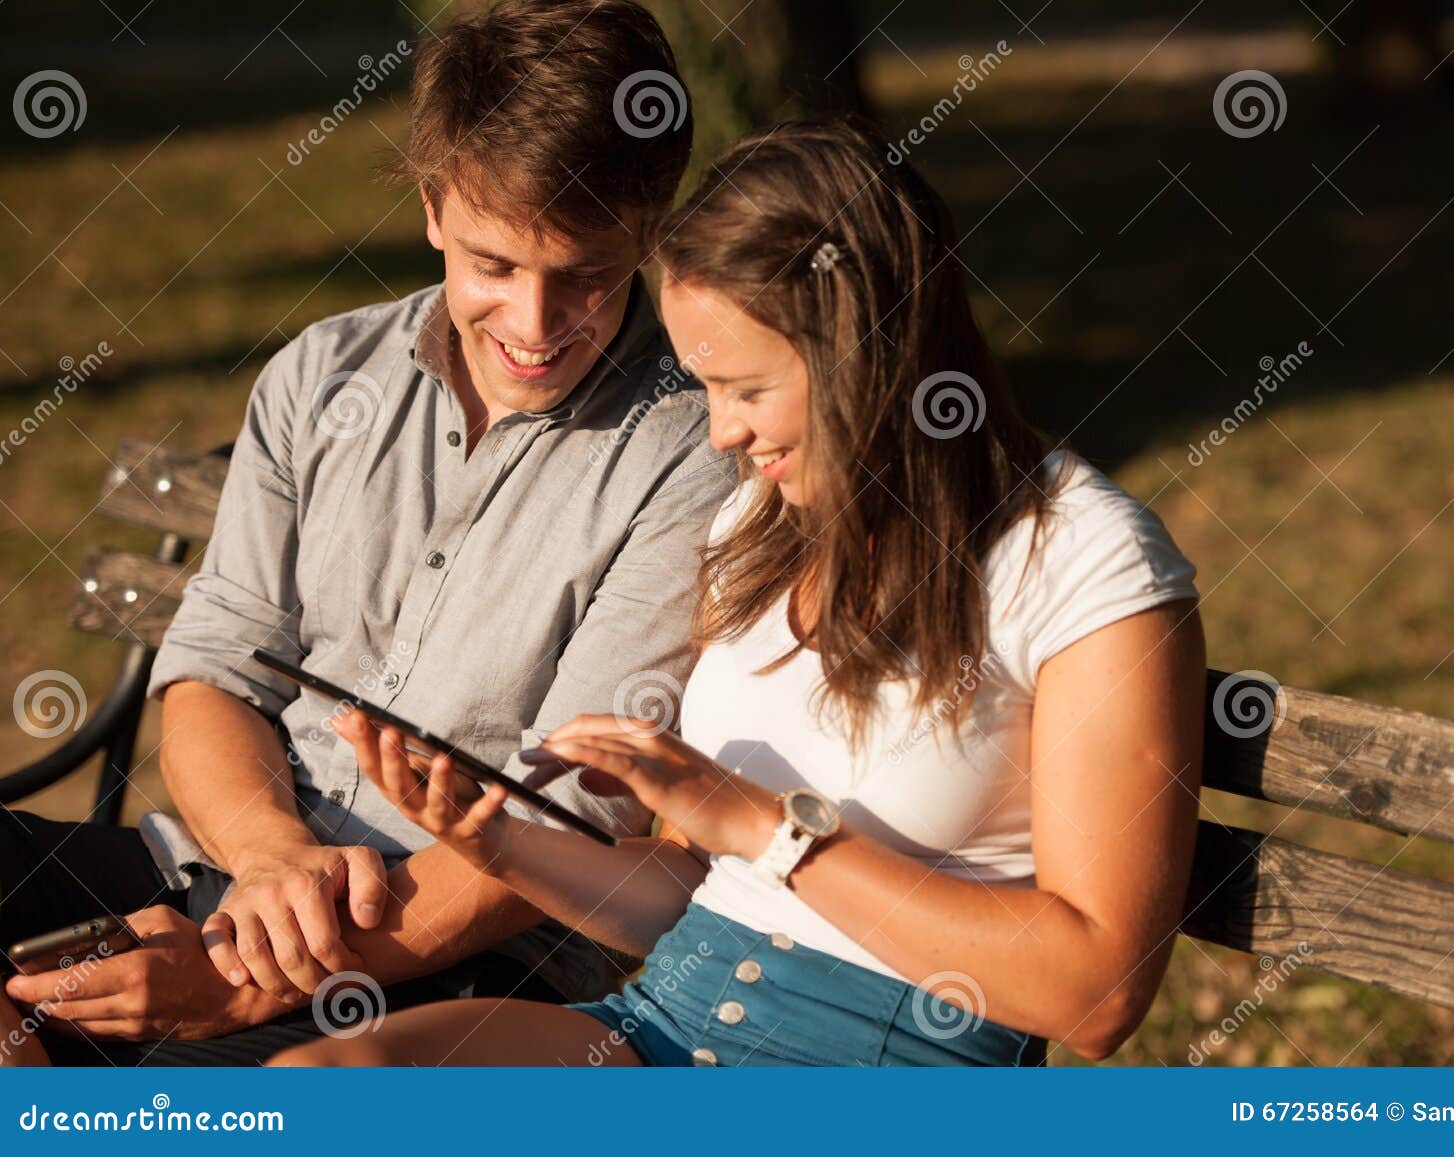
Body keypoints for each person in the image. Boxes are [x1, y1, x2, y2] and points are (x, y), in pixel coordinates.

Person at [269, 117, 1207, 1068]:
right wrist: (494, 840)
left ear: (867, 354)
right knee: (328, 1079)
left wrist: (769, 829)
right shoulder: (759, 529)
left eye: (748, 389)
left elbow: (1097, 993)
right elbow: (684, 889)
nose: (721, 433)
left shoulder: (1084, 561)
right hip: (663, 1032)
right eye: (706, 385)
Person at [0, 0, 733, 1066]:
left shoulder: (690, 453)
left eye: (586, 274)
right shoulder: (324, 372)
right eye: (493, 265)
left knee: (184, 1098)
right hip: (221, 869)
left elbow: (573, 814)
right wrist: (267, 859)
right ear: (434, 206)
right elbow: (212, 671)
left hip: (456, 956)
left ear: (650, 238)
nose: (536, 327)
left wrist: (247, 974)